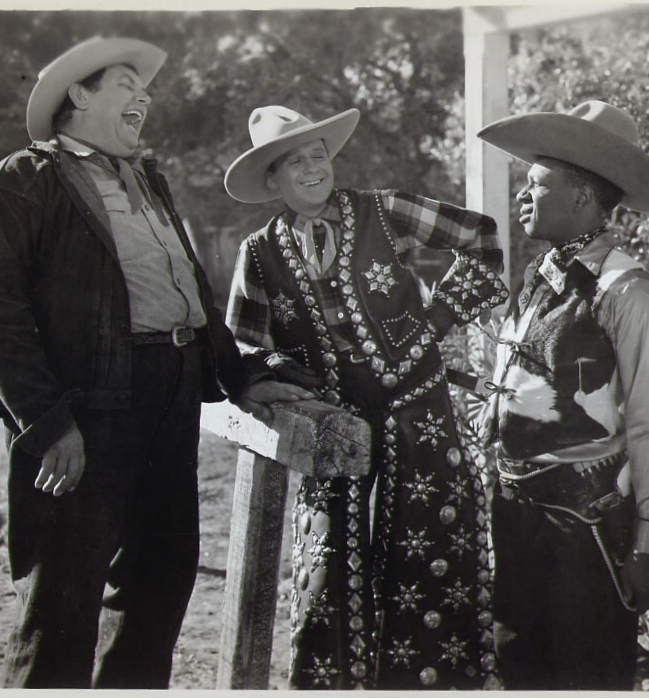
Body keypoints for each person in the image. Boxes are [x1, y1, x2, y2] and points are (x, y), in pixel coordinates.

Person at [0, 37, 310, 689]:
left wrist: (241, 376)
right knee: (64, 595)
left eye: (143, 89)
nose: (143, 97)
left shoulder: (148, 177)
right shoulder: (21, 179)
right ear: (78, 97)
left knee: (160, 578)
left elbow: (190, 292)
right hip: (85, 407)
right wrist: (47, 421)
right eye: (124, 84)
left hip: (168, 394)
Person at [223, 105, 510, 690]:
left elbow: (480, 236)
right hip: (336, 427)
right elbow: (242, 348)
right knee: (331, 560)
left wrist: (434, 319)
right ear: (272, 181)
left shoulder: (384, 209)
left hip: (419, 413)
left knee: (428, 550)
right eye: (292, 162)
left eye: (317, 155)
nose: (310, 169)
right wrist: (279, 369)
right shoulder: (258, 253)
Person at [475, 100, 649, 690]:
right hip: (517, 519)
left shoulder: (627, 292)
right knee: (521, 671)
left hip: (587, 533)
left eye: (537, 184)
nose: (524, 195)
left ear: (580, 195)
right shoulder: (540, 279)